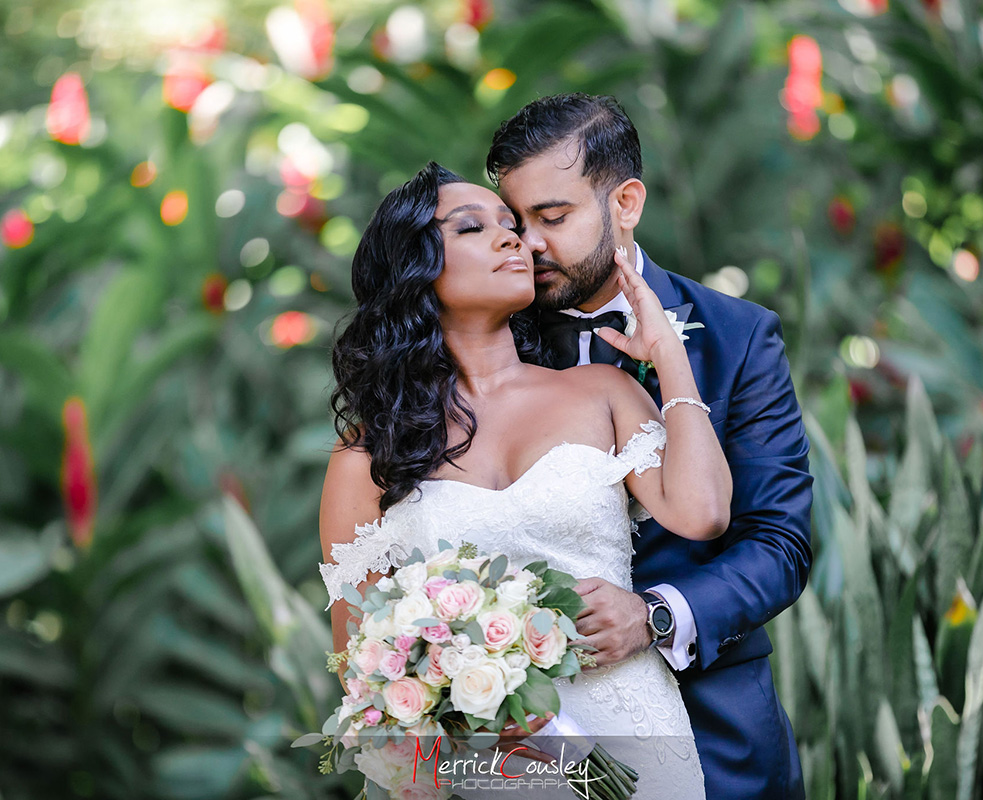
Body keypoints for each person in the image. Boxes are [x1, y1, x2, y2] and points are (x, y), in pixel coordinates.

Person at [319, 161, 732, 798]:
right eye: (472, 227)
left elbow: (702, 513)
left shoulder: (602, 391)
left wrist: (668, 355)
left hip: (636, 736)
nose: (515, 239)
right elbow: (365, 674)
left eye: (511, 225)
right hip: (488, 772)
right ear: (416, 268)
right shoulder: (365, 461)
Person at [485, 93, 813, 798]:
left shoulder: (737, 336)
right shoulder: (485, 341)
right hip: (526, 751)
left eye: (554, 216)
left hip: (713, 735)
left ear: (626, 202)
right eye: (517, 222)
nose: (531, 244)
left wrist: (655, 614)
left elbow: (780, 544)